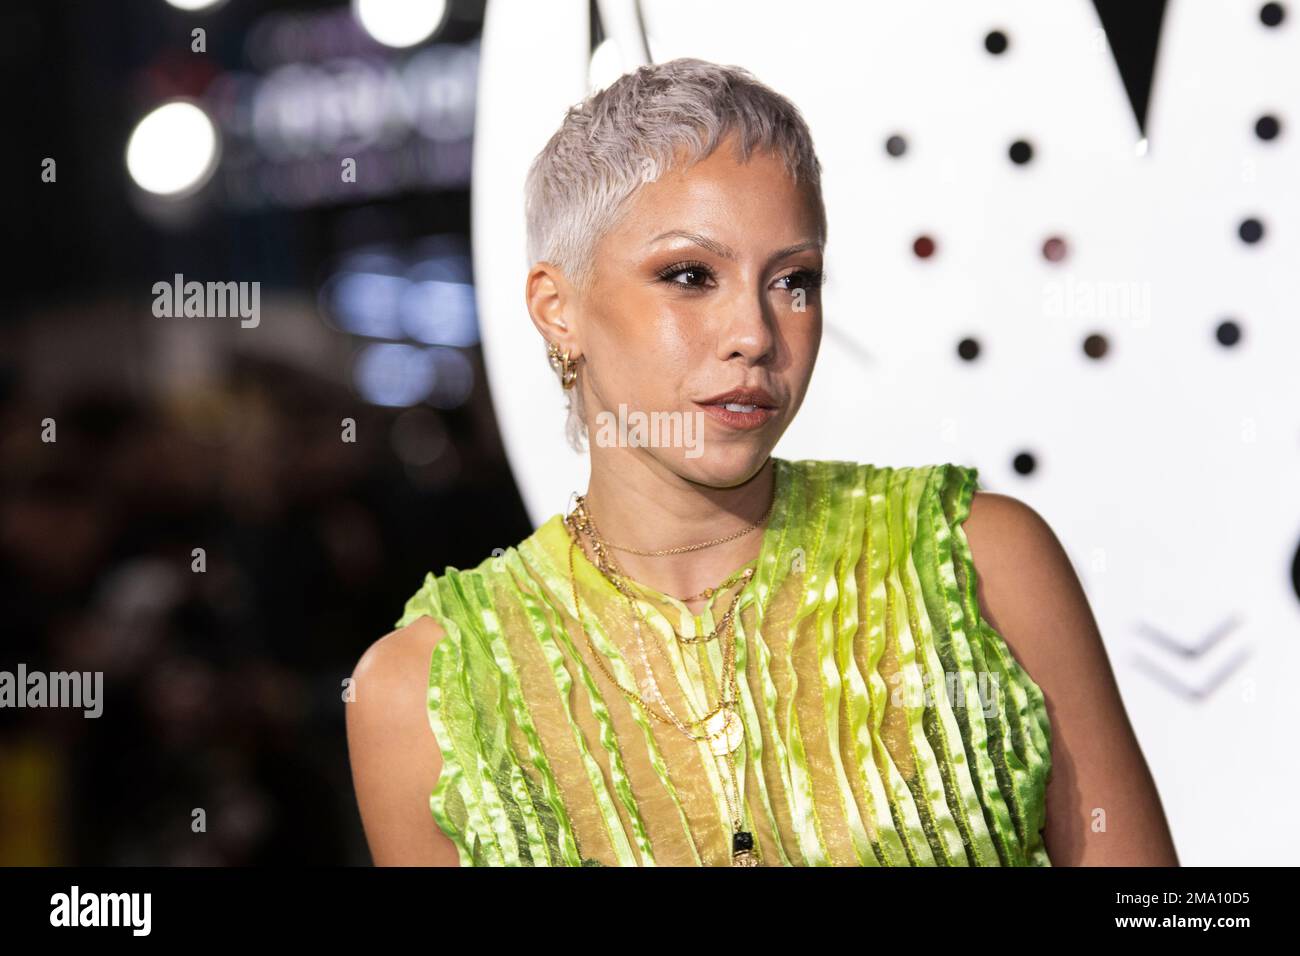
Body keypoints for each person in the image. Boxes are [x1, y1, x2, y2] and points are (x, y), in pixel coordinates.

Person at [347, 58, 1178, 867]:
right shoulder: (427, 694)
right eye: (690, 275)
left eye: (794, 281)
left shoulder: (976, 563)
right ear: (557, 309)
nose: (755, 332)